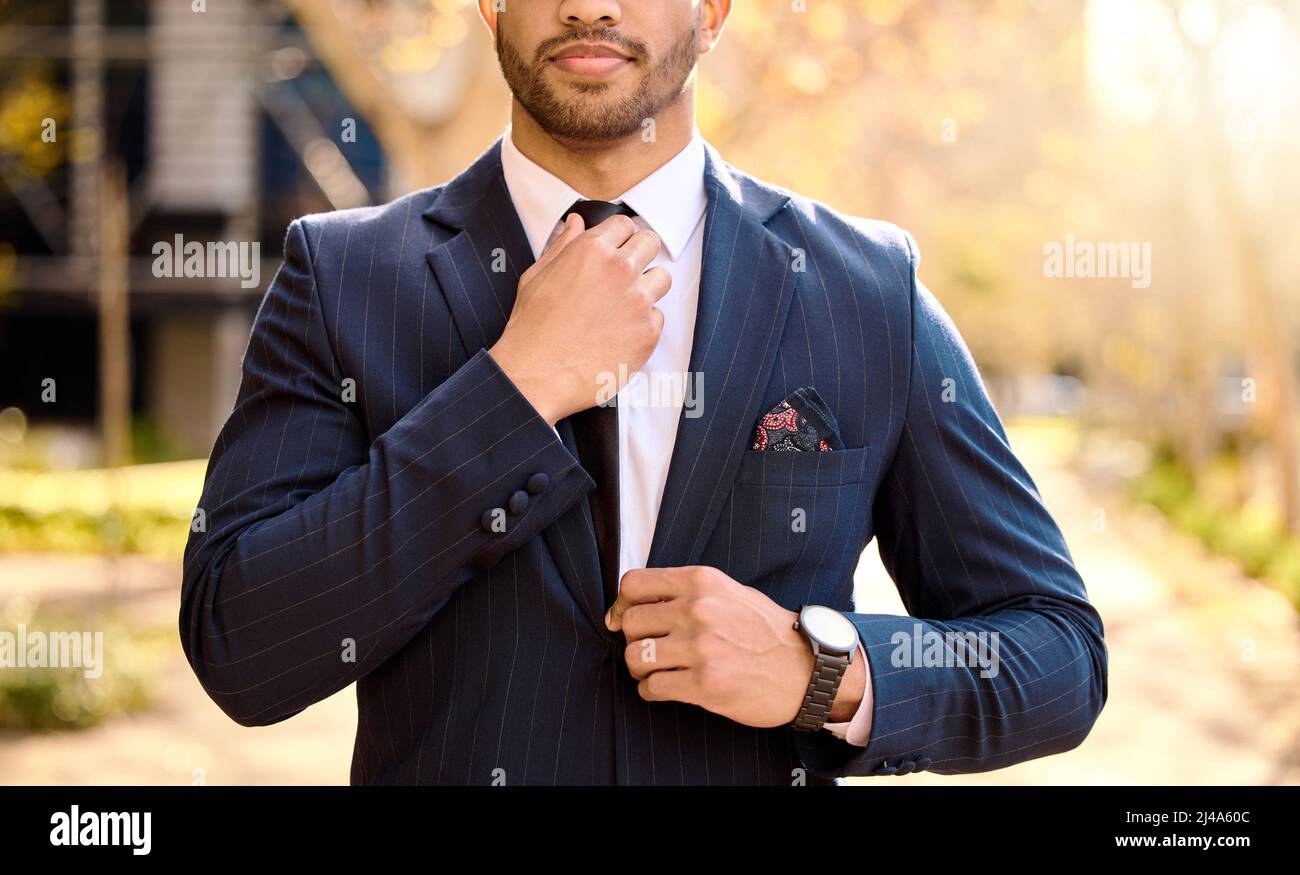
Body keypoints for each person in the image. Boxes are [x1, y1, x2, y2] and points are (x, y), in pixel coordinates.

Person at [180, 0, 1107, 785]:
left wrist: (823, 672)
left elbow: (1059, 653)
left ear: (712, 12)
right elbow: (242, 648)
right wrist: (515, 389)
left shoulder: (867, 291)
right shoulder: (341, 278)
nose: (590, 4)